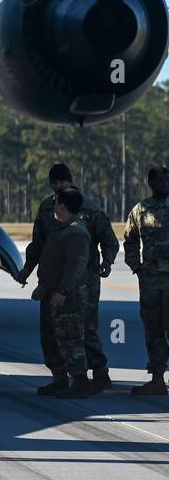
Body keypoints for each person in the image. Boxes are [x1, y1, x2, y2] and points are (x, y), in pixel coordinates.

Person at [34, 188, 92, 397]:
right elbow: (52, 262)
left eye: (57, 204)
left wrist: (63, 291)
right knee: (51, 338)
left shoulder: (76, 232)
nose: (54, 208)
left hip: (68, 297)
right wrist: (43, 286)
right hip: (53, 293)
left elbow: (76, 266)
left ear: (63, 207)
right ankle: (59, 379)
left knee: (70, 339)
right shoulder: (62, 230)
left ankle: (80, 381)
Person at [123, 166, 169, 395]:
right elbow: (129, 239)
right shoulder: (140, 210)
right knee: (153, 328)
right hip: (150, 280)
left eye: (167, 178)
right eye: (159, 179)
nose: (164, 183)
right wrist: (136, 266)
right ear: (150, 183)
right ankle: (158, 378)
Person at [77, 198, 119, 392]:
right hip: (61, 280)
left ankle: (99, 372)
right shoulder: (49, 210)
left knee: (87, 327)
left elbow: (110, 242)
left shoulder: (91, 212)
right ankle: (68, 376)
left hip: (87, 279)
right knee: (62, 328)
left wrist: (107, 262)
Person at [20, 163, 75, 284]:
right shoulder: (46, 207)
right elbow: (37, 244)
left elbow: (106, 237)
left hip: (80, 280)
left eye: (62, 181)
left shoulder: (87, 206)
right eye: (54, 183)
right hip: (50, 277)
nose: (58, 186)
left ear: (69, 181)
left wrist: (107, 262)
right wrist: (26, 270)